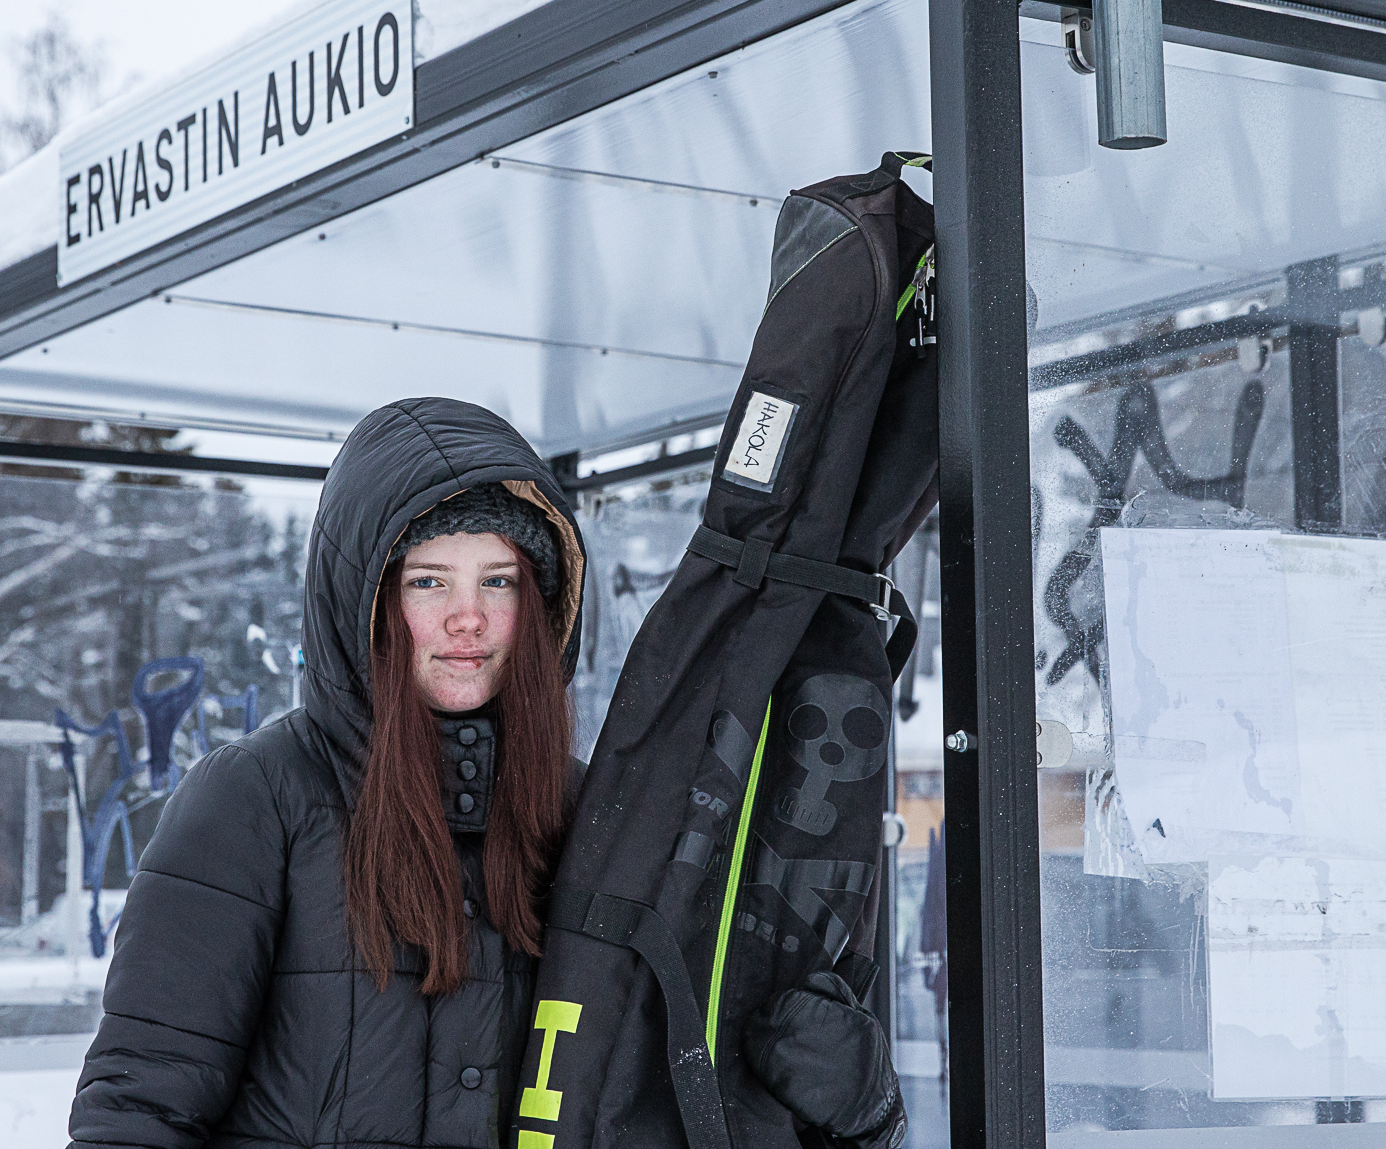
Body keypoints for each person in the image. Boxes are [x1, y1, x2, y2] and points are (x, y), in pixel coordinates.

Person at [67, 397, 902, 1149]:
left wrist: (859, 1112)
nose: (468, 617)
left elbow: (672, 1095)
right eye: (429, 579)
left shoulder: (596, 816)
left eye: (498, 580)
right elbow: (137, 1115)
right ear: (363, 602)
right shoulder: (256, 799)